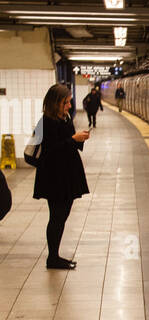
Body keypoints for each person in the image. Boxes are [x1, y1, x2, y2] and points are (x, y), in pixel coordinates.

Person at [34, 83, 90, 270]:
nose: (69, 106)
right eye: (66, 102)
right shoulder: (46, 123)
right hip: (54, 178)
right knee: (57, 216)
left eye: (69, 102)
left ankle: (55, 255)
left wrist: (78, 139)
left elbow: (66, 143)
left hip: (66, 175)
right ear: (56, 103)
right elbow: (50, 152)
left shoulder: (64, 118)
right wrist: (73, 140)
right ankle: (53, 258)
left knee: (62, 215)